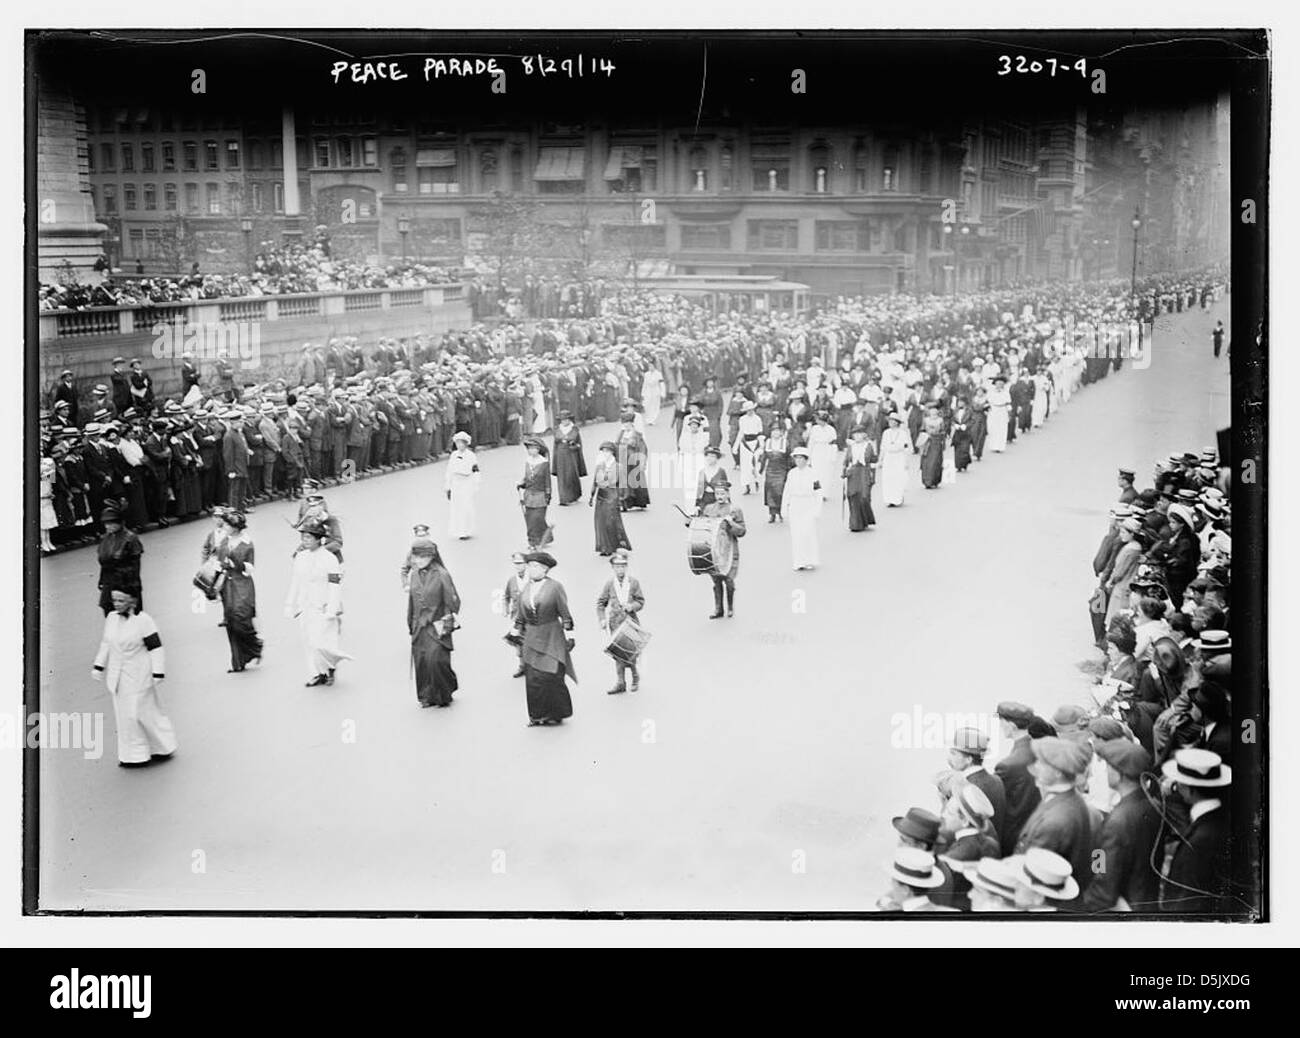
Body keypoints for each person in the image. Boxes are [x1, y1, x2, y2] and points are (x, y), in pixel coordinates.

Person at [91, 586, 177, 767]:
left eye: (121, 601)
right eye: (114, 600)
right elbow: (106, 643)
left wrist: (158, 671)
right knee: (125, 717)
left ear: (132, 601)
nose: (117, 604)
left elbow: (155, 647)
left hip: (140, 674)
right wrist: (98, 666)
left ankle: (162, 746)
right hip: (118, 677)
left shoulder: (144, 620)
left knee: (141, 713)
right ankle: (133, 755)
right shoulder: (111, 618)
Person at [1079, 740, 1162, 913]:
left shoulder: (1118, 821)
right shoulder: (1152, 805)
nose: (1105, 771)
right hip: (1146, 898)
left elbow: (1104, 883)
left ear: (1120, 774)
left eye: (1108, 767)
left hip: (1125, 906)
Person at [1012, 736, 1094, 903]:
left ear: (1057, 772)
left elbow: (1034, 874)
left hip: (1043, 902)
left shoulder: (1056, 821)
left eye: (1041, 763)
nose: (1036, 767)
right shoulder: (1065, 798)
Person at [1160, 748, 1232, 913]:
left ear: (1188, 789)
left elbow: (1189, 900)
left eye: (1180, 782)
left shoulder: (1200, 840)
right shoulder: (1220, 818)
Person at [285, 521, 352, 687]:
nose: (305, 540)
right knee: (308, 641)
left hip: (323, 606)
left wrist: (331, 608)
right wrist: (289, 604)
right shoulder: (300, 557)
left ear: (319, 539)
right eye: (303, 537)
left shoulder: (329, 559)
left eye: (308, 537)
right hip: (305, 605)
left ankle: (330, 668)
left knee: (322, 641)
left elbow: (334, 585)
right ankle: (317, 673)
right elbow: (295, 581)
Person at [513, 551, 576, 727]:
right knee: (533, 678)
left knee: (551, 675)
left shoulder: (555, 587)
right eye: (530, 566)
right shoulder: (526, 588)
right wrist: (515, 631)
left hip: (551, 635)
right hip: (532, 637)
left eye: (535, 566)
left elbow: (565, 614)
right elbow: (520, 615)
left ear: (545, 569)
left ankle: (556, 713)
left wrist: (570, 635)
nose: (531, 569)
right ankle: (537, 715)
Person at [406, 538, 461, 708]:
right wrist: (410, 623)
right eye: (416, 557)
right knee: (422, 662)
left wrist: (445, 622)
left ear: (431, 557)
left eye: (422, 557)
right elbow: (412, 601)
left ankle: (444, 693)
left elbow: (453, 602)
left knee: (437, 661)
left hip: (436, 626)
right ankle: (426, 696)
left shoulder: (442, 575)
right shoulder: (414, 574)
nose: (418, 561)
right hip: (418, 627)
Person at [216, 510, 263, 673]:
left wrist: (236, 563)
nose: (225, 527)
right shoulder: (224, 542)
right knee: (230, 620)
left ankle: (255, 645)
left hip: (242, 584)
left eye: (228, 525)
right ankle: (238, 661)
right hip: (227, 585)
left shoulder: (247, 543)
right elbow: (218, 562)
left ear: (236, 527)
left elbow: (249, 569)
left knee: (241, 618)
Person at [692, 480, 746, 619]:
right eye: (717, 493)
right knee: (716, 580)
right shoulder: (709, 508)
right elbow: (701, 526)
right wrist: (691, 520)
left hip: (729, 549)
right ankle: (718, 609)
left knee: (728, 579)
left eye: (722, 493)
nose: (719, 496)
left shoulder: (735, 509)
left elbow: (742, 531)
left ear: (728, 494)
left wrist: (730, 523)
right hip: (713, 550)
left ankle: (730, 608)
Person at [994, 701, 1042, 854]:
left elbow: (995, 800)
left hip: (1012, 835)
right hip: (1034, 829)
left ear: (1012, 726)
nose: (1000, 726)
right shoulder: (1041, 750)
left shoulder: (1008, 765)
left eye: (1001, 722)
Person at [596, 548, 645, 694]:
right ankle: (620, 682)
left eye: (623, 566)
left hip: (631, 622)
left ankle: (635, 676)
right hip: (615, 623)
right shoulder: (610, 584)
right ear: (613, 568)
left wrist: (632, 606)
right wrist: (602, 619)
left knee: (631, 652)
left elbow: (641, 601)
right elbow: (600, 603)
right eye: (617, 567)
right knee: (617, 653)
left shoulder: (633, 582)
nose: (620, 569)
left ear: (626, 567)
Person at [96, 507, 144, 616]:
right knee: (110, 615)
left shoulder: (130, 539)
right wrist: (101, 581)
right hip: (109, 583)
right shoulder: (105, 539)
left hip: (125, 584)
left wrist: (133, 591)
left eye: (111, 523)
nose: (108, 526)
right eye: (106, 523)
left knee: (129, 618)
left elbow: (135, 568)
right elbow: (103, 563)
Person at [781, 447, 822, 571]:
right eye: (796, 458)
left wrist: (817, 510)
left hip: (808, 504)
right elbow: (787, 491)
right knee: (796, 533)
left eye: (801, 458)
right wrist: (784, 507)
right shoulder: (792, 473)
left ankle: (809, 559)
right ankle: (799, 561)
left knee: (807, 532)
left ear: (806, 460)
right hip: (795, 504)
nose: (798, 461)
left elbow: (818, 492)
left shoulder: (813, 473)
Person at [590, 441, 632, 556]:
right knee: (600, 522)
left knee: (610, 521)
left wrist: (622, 498)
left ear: (612, 452)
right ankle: (604, 547)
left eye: (608, 451)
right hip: (601, 496)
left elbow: (623, 484)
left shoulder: (619, 467)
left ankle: (614, 544)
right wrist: (592, 495)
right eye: (603, 451)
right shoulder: (600, 466)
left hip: (612, 496)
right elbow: (595, 481)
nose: (605, 453)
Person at [517, 438, 555, 550]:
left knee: (538, 518)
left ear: (539, 449)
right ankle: (532, 541)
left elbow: (547, 481)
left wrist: (548, 495)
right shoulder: (528, 461)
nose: (531, 451)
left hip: (540, 495)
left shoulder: (544, 463)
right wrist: (521, 484)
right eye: (529, 448)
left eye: (533, 448)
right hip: (528, 495)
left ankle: (540, 539)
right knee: (529, 519)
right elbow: (527, 477)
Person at [444, 432, 480, 540]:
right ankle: (458, 530)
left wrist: (476, 484)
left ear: (466, 444)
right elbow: (449, 470)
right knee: (456, 507)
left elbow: (476, 471)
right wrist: (447, 486)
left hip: (467, 482)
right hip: (456, 483)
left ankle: (467, 530)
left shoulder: (471, 456)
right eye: (458, 443)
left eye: (462, 443)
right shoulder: (453, 455)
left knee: (466, 506)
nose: (460, 445)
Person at [842, 424, 877, 531]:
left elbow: (873, 461)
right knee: (853, 496)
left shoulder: (869, 446)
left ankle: (866, 519)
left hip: (864, 472)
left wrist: (872, 476)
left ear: (863, 435)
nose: (857, 436)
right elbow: (846, 461)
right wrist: (844, 471)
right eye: (855, 434)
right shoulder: (851, 447)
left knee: (864, 497)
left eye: (859, 434)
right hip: (853, 473)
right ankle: (855, 524)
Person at [615, 411, 651, 510]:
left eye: (628, 423)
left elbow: (643, 448)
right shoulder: (621, 434)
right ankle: (623, 502)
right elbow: (616, 445)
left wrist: (642, 461)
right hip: (622, 460)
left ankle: (638, 501)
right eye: (624, 423)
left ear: (632, 423)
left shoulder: (637, 435)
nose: (626, 426)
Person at [502, 550, 529, 678]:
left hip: (531, 618)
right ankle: (522, 665)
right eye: (515, 563)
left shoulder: (533, 579)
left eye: (520, 563)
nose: (518, 566)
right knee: (518, 643)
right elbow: (506, 596)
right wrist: (505, 608)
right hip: (517, 618)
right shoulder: (512, 581)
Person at [551, 410, 586, 505]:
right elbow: (555, 446)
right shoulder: (557, 430)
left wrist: (575, 446)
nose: (564, 422)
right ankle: (564, 498)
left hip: (571, 455)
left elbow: (579, 444)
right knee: (562, 476)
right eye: (562, 420)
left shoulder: (574, 429)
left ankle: (573, 495)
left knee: (571, 475)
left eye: (566, 420)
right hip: (560, 455)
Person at [761, 419, 793, 523]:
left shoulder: (785, 443)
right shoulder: (767, 442)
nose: (775, 433)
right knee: (770, 492)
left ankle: (780, 512)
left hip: (781, 470)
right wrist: (760, 469)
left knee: (780, 492)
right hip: (770, 470)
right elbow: (764, 457)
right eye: (773, 430)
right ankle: (772, 514)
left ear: (782, 432)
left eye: (778, 430)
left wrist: (789, 471)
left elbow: (789, 458)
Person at [806, 410, 839, 502]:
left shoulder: (831, 430)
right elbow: (811, 443)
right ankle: (816, 492)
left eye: (818, 419)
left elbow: (834, 444)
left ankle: (824, 493)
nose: (817, 421)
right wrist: (809, 456)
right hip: (817, 451)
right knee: (816, 472)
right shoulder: (814, 428)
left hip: (827, 451)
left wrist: (833, 456)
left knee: (826, 473)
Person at [878, 410, 909, 508]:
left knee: (897, 477)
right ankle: (889, 499)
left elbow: (906, 447)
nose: (890, 423)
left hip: (898, 457)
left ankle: (897, 498)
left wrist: (906, 461)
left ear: (897, 422)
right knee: (888, 477)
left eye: (893, 421)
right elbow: (882, 447)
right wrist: (880, 460)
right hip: (888, 457)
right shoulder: (886, 433)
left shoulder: (903, 433)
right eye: (889, 421)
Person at [918, 403, 946, 489]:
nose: (933, 415)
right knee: (926, 462)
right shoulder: (925, 420)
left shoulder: (940, 420)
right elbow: (922, 430)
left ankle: (934, 480)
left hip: (936, 443)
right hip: (927, 443)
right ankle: (927, 481)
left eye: (935, 414)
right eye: (932, 414)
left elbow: (943, 432)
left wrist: (940, 437)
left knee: (935, 462)